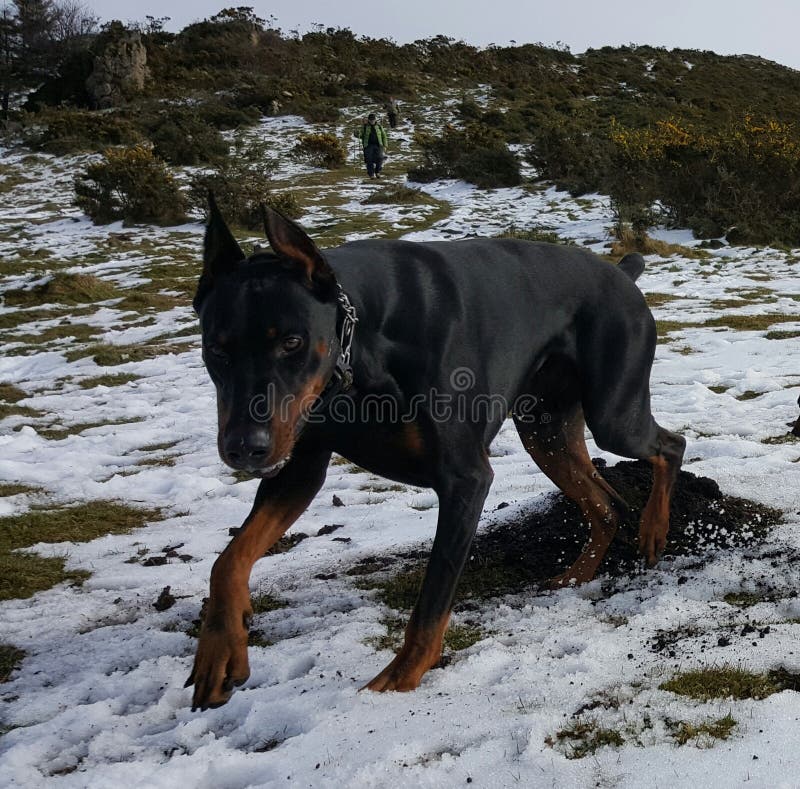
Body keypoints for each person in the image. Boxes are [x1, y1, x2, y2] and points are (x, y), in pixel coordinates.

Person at [358, 113, 388, 179]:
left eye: (373, 120)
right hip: (368, 145)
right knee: (369, 159)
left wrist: (385, 145)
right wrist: (357, 133)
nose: (372, 121)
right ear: (368, 120)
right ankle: (371, 174)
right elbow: (360, 135)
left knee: (380, 158)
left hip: (378, 145)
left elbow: (384, 136)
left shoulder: (379, 126)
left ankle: (377, 172)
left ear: (375, 120)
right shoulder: (365, 127)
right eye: (371, 120)